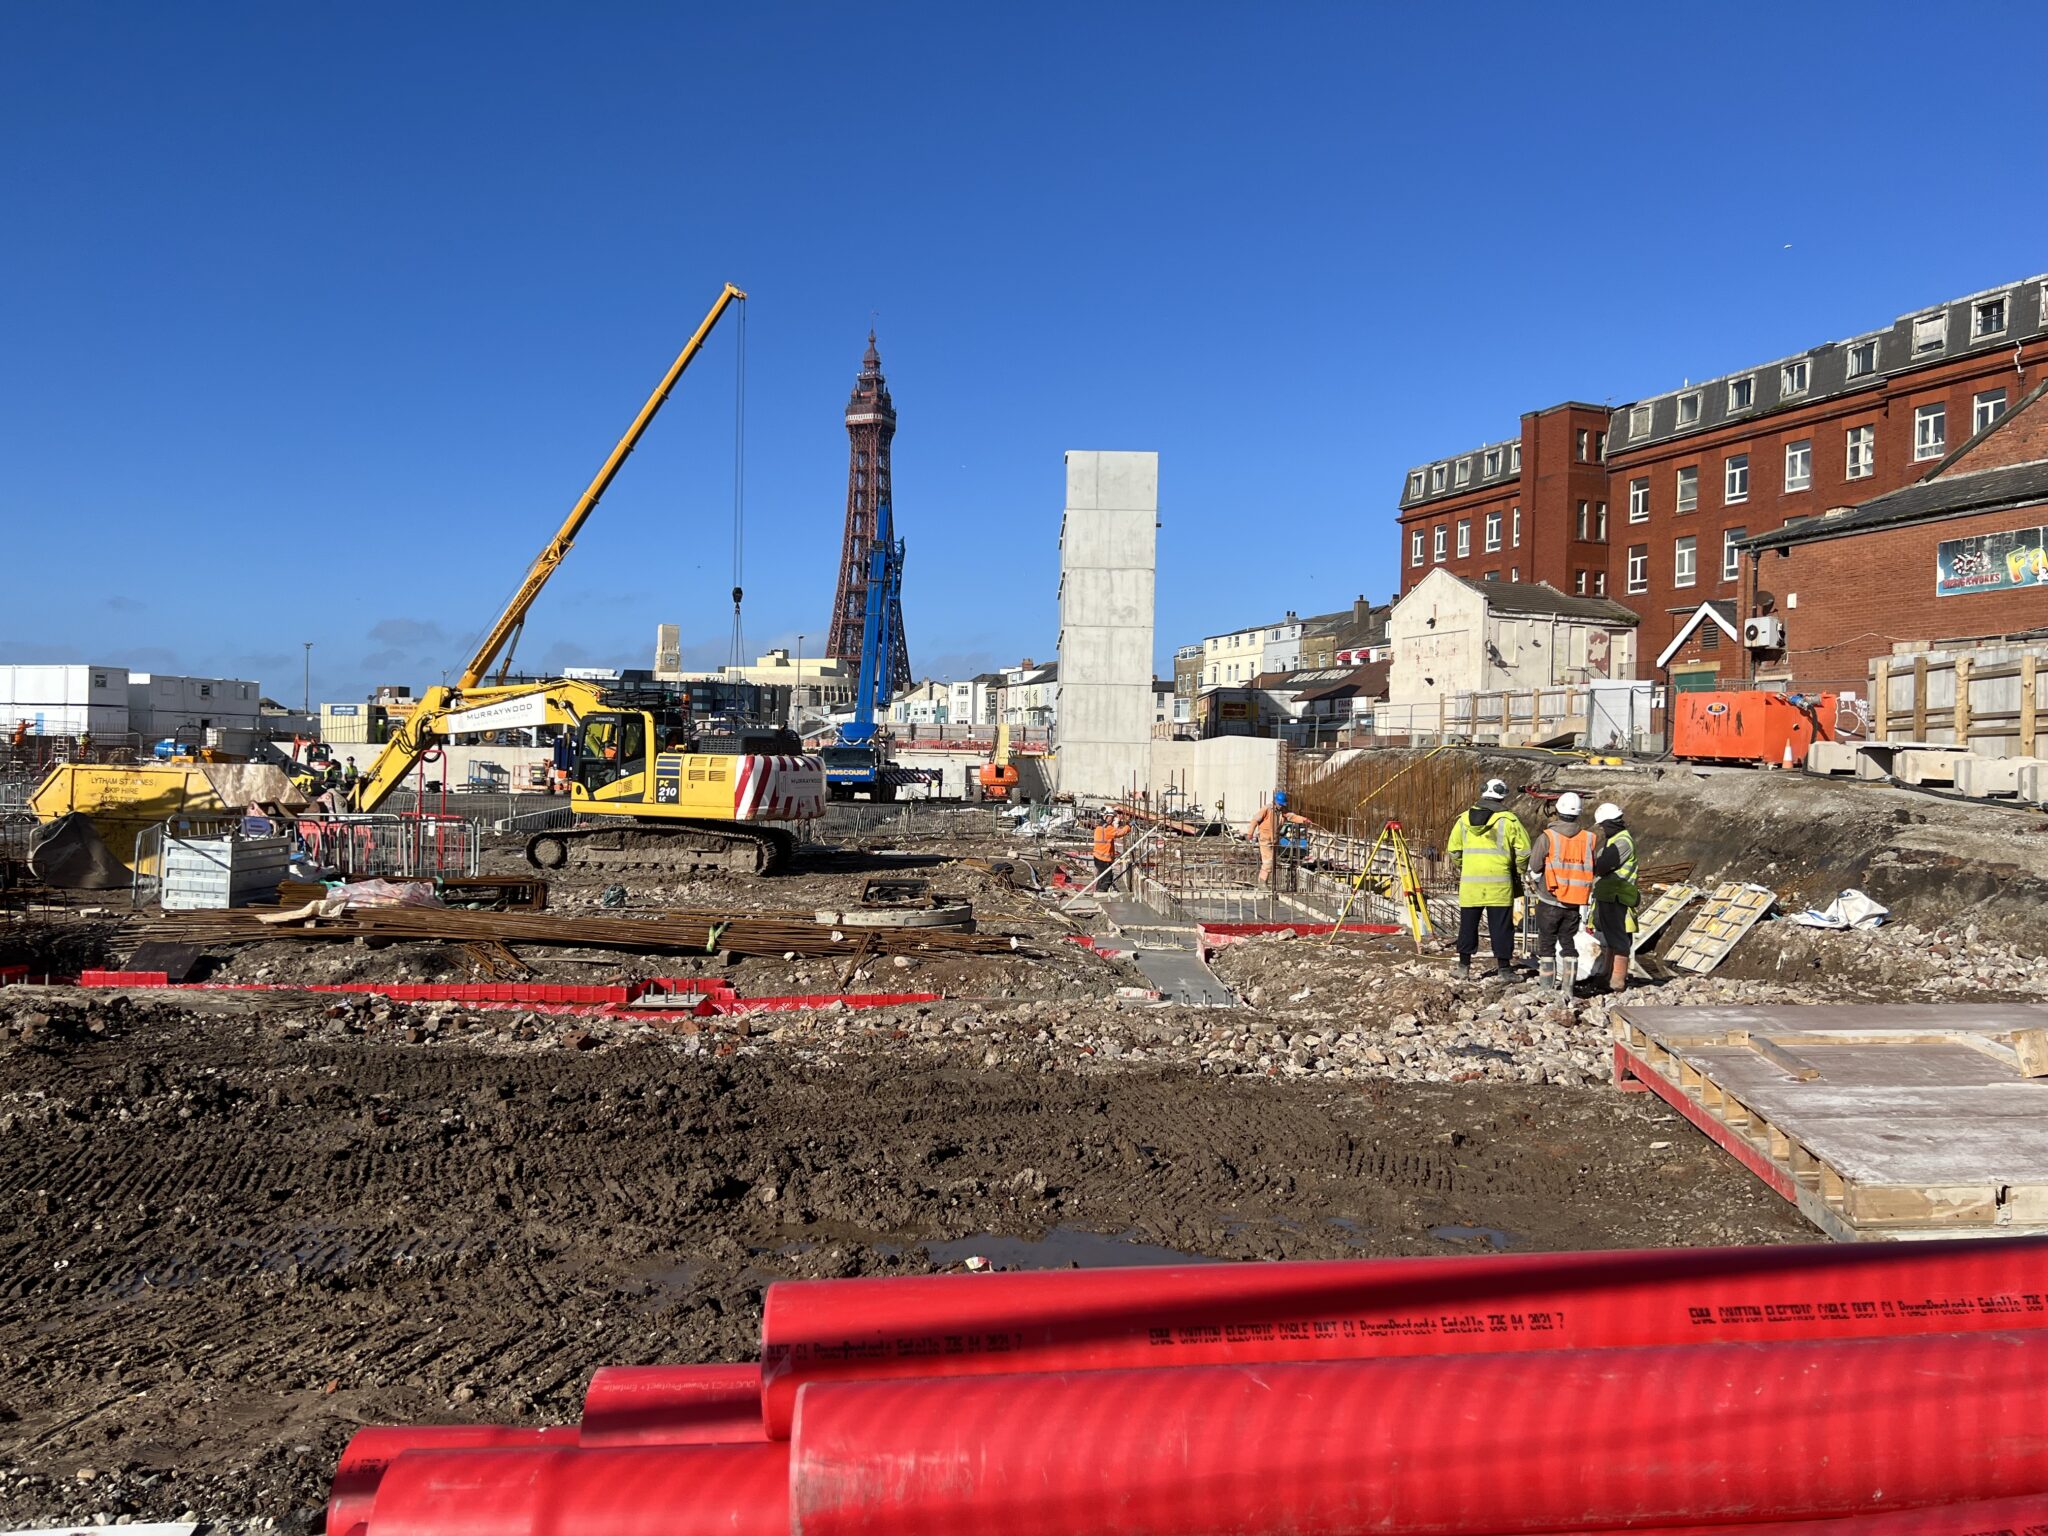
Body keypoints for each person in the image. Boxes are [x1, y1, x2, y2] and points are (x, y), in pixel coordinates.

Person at [1446, 777, 1529, 980]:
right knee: (1501, 927)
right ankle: (1504, 969)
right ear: (1502, 797)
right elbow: (1524, 851)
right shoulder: (1509, 820)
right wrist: (1519, 869)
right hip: (1499, 884)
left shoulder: (1463, 820)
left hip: (1471, 885)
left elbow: (1454, 851)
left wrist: (1465, 867)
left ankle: (1464, 967)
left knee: (1467, 925)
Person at [1525, 790, 1599, 998]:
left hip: (1550, 898)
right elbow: (1592, 866)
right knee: (1568, 942)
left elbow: (1535, 865)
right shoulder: (1589, 839)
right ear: (1579, 813)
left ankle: (1546, 988)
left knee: (1547, 943)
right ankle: (1568, 988)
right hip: (1574, 902)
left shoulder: (1548, 837)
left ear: (1557, 811)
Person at [1590, 802, 1639, 993]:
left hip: (1617, 894)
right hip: (1611, 894)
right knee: (1611, 936)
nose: (1602, 830)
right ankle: (1607, 975)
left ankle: (1617, 980)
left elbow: (1603, 866)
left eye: (1602, 826)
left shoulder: (1622, 842)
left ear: (1609, 823)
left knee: (1618, 938)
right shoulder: (1616, 839)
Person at [1246, 792, 1313, 886]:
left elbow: (1292, 816)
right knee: (1268, 861)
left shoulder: (1282, 812)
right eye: (1280, 805)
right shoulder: (1267, 809)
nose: (1281, 807)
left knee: (1272, 862)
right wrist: (1250, 833)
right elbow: (1255, 820)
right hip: (1265, 839)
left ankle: (1266, 883)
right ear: (1275, 802)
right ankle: (1262, 883)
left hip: (1274, 839)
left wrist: (1304, 820)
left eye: (1282, 805)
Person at [1091, 812, 1130, 893]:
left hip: (1097, 856)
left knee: (1101, 877)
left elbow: (1115, 830)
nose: (1112, 819)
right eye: (1110, 817)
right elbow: (1119, 833)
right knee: (1107, 879)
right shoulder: (1107, 828)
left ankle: (1098, 891)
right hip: (1104, 858)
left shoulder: (1099, 827)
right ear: (1105, 817)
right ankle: (1101, 895)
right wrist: (1128, 827)